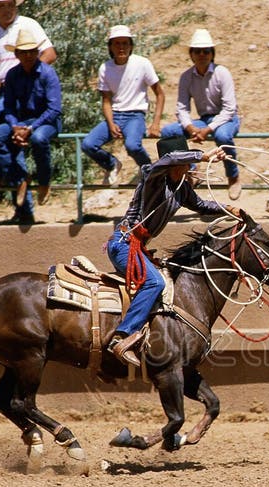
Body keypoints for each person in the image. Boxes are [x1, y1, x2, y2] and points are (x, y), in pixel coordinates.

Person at [106, 137, 241, 366]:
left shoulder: (182, 189)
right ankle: (122, 337)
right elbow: (168, 159)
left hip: (137, 248)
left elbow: (201, 206)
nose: (191, 166)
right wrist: (203, 155)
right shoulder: (153, 177)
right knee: (155, 283)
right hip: (124, 244)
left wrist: (228, 208)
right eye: (187, 159)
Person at [0, 0, 56, 223]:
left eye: (10, 4)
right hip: (4, 91)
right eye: (1, 5)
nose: (7, 9)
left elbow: (50, 53)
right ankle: (19, 195)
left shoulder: (29, 24)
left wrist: (28, 72)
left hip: (25, 89)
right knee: (5, 137)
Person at [158, 29, 242, 200]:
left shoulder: (222, 73)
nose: (202, 55)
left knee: (223, 136)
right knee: (168, 133)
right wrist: (190, 127)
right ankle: (190, 169)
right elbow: (182, 107)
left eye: (206, 51)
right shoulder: (186, 77)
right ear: (191, 54)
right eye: (198, 51)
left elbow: (229, 108)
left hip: (227, 119)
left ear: (212, 53)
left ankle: (233, 176)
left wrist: (206, 130)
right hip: (203, 120)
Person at [82, 25, 164, 187]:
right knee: (88, 144)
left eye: (125, 43)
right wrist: (111, 123)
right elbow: (106, 100)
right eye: (117, 43)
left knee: (132, 145)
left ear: (131, 45)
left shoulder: (142, 63)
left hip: (135, 115)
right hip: (116, 114)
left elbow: (160, 94)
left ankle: (148, 169)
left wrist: (155, 123)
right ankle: (111, 164)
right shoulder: (105, 68)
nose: (121, 47)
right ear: (110, 46)